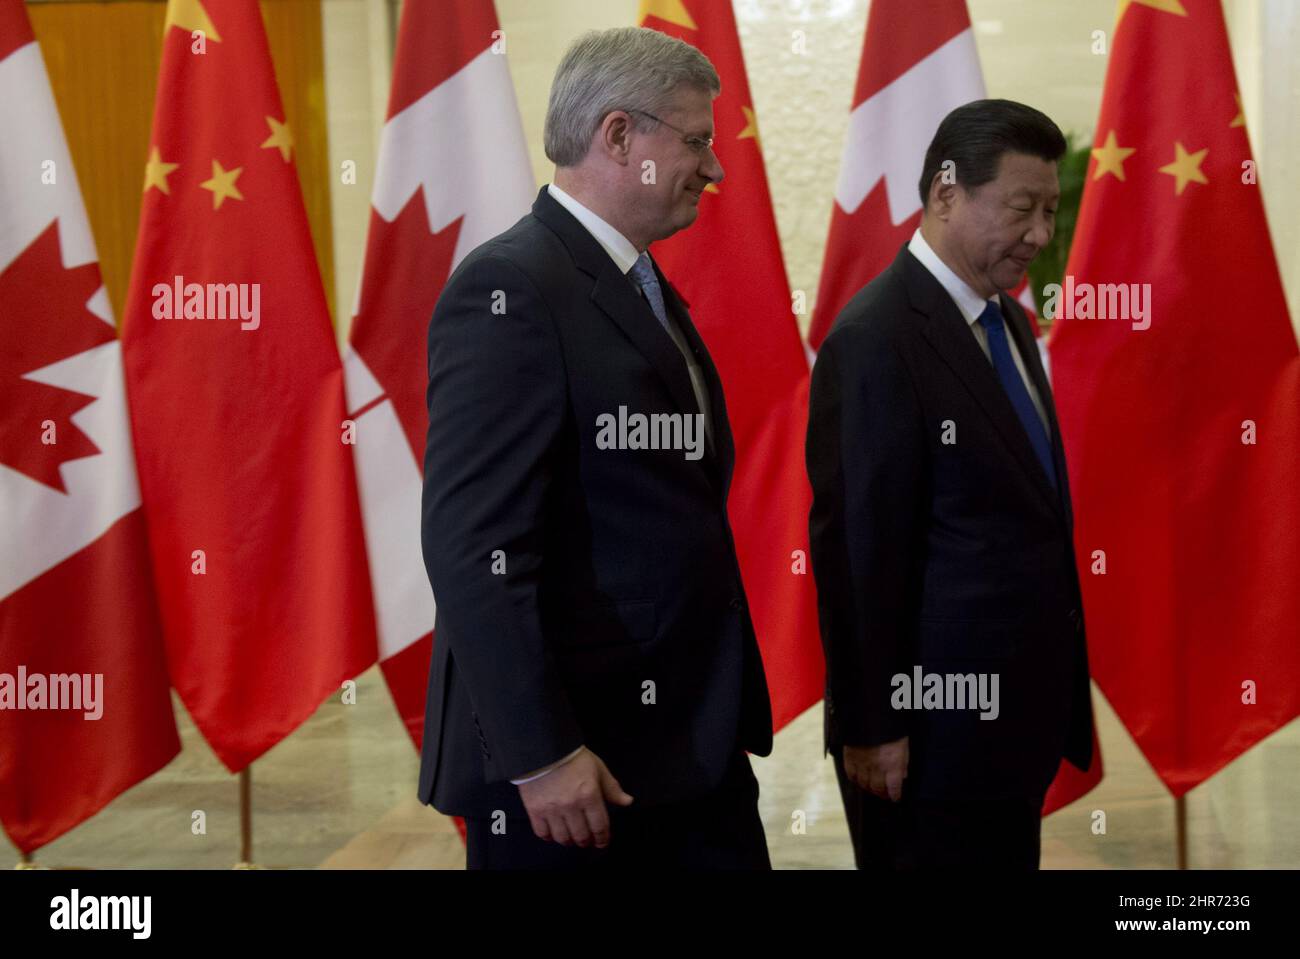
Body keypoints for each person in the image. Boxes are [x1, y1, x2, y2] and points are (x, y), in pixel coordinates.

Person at [418, 26, 772, 870]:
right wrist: (541, 754)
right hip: (581, 778)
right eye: (696, 140)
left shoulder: (636, 282)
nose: (715, 168)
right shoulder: (511, 286)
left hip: (685, 747)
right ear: (620, 135)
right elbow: (474, 548)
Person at [807, 99, 1095, 870]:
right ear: (945, 194)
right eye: (1022, 209)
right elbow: (856, 550)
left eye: (1051, 210)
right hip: (928, 740)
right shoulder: (876, 338)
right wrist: (872, 723)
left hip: (1012, 730)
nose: (1041, 234)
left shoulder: (1008, 323)